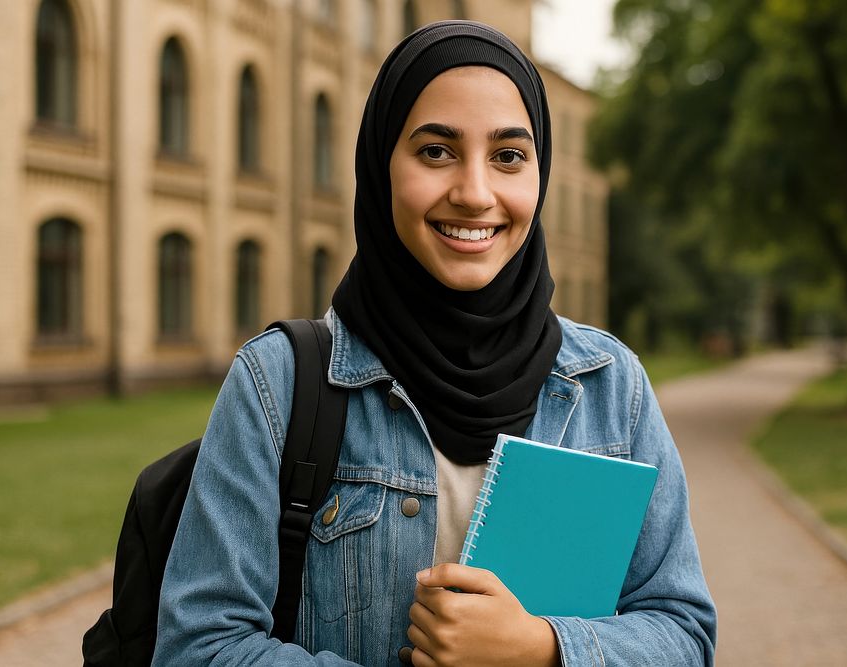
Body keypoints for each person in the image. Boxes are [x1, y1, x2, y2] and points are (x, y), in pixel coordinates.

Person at [153, 20, 716, 667]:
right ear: (380, 164)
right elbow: (198, 648)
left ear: (542, 173)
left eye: (508, 155)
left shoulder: (611, 385)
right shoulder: (276, 384)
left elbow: (683, 632)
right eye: (436, 151)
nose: (475, 194)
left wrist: (541, 646)